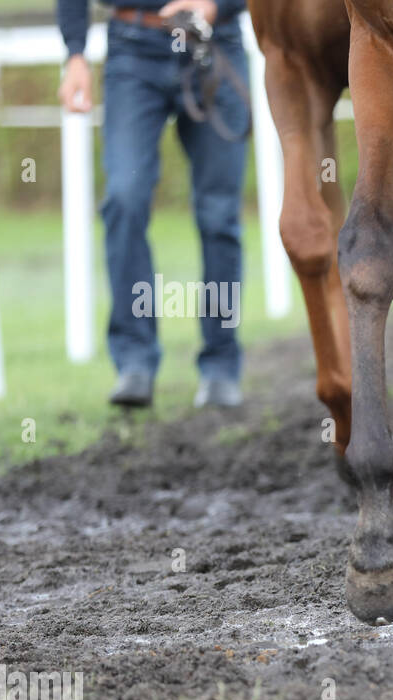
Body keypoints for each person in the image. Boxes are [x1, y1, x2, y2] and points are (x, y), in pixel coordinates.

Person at [57, 0, 250, 408]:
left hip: (214, 45)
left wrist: (216, 6)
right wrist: (75, 52)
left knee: (219, 215)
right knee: (124, 200)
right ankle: (134, 362)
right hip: (133, 47)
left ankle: (220, 365)